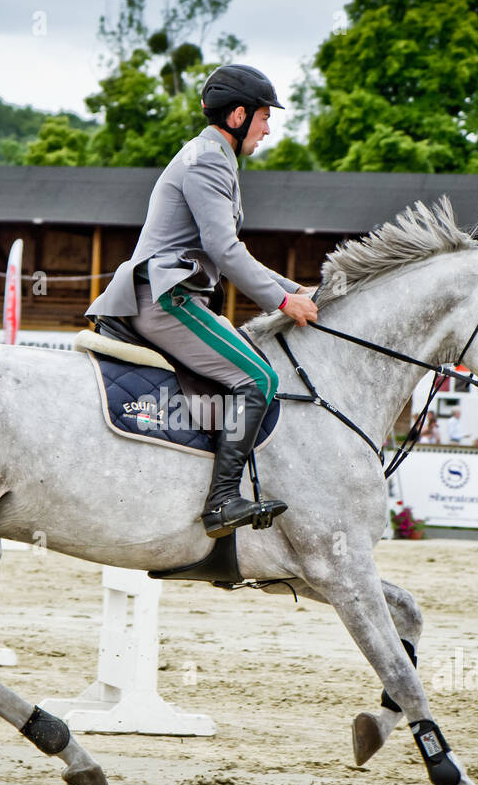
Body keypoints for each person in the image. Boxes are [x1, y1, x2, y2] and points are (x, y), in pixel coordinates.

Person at [85, 64, 319, 539]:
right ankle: (222, 503)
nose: (268, 129)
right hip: (164, 299)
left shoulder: (212, 155)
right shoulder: (209, 158)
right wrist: (281, 301)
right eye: (264, 118)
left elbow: (229, 249)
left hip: (171, 295)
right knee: (258, 377)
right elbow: (224, 249)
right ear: (238, 114)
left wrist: (293, 290)